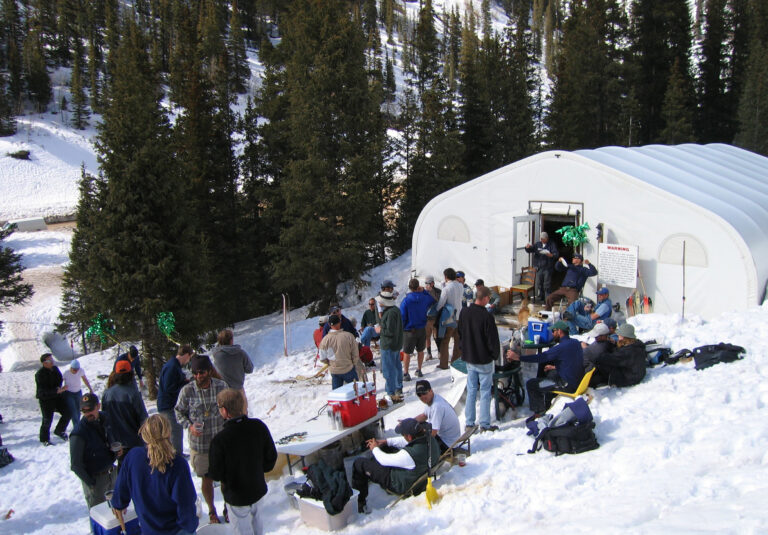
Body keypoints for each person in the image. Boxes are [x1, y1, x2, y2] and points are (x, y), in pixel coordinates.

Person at [110, 414, 198, 535]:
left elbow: (120, 492)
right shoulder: (177, 464)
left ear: (144, 434)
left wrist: (118, 504)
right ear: (168, 433)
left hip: (148, 530)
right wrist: (190, 527)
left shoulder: (133, 457)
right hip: (176, 530)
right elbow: (186, 505)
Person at [207, 389, 277, 535]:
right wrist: (258, 470)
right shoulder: (258, 426)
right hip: (257, 489)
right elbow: (271, 457)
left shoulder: (220, 440)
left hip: (236, 496)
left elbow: (216, 473)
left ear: (224, 411)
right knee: (258, 527)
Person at [175, 354, 227, 523]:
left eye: (202, 373)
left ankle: (228, 507)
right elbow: (178, 412)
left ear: (209, 371)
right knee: (207, 478)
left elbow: (230, 408)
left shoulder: (221, 386)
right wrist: (189, 426)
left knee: (226, 476)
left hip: (220, 442)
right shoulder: (187, 391)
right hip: (200, 445)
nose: (198, 376)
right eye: (195, 373)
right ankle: (212, 510)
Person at [352, 418, 441, 514]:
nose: (403, 436)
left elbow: (384, 460)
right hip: (420, 473)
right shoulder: (430, 439)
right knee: (386, 448)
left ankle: (360, 502)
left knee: (359, 464)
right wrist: (386, 441)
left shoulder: (409, 455)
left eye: (403, 435)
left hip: (399, 483)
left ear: (410, 437)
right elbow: (406, 442)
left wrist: (374, 449)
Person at [508, 321, 584, 416]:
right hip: (575, 379)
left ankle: (539, 414)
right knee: (548, 371)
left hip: (567, 385)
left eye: (553, 331)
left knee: (531, 384)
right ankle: (548, 405)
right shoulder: (575, 343)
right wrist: (555, 366)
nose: (552, 334)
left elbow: (540, 357)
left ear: (559, 331)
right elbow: (570, 360)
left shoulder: (560, 348)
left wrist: (518, 357)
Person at [457, 286, 500, 432]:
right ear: (486, 298)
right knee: (486, 392)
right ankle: (485, 424)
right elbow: (492, 340)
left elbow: (460, 333)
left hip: (470, 357)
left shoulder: (465, 312)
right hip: (484, 359)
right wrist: (495, 355)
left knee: (471, 390)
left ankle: (469, 423)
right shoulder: (487, 316)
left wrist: (463, 349)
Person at [69, 392, 117, 508]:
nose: (87, 413)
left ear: (98, 406)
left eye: (90, 409)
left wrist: (114, 453)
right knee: (99, 518)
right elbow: (76, 465)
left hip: (112, 475)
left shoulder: (105, 420)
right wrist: (91, 484)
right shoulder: (79, 433)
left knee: (117, 512)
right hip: (96, 481)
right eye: (84, 411)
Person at [102, 360, 148, 457]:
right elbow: (143, 419)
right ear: (130, 374)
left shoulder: (107, 394)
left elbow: (104, 419)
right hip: (134, 443)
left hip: (115, 444)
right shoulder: (133, 394)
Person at [157, 345, 193, 456]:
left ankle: (176, 453)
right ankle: (176, 456)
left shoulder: (174, 365)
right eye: (189, 357)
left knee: (175, 431)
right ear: (186, 355)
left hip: (169, 404)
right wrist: (185, 384)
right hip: (168, 406)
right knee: (175, 432)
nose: (188, 360)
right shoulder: (172, 366)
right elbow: (169, 387)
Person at [399, 278, 436, 381]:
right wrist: (423, 291)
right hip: (421, 328)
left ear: (410, 288)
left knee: (407, 352)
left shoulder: (406, 300)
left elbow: (402, 316)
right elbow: (432, 300)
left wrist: (402, 328)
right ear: (418, 286)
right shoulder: (424, 297)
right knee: (420, 350)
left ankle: (406, 373)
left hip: (409, 330)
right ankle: (419, 370)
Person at [592, 323, 647, 387]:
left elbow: (611, 359)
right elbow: (621, 354)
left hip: (630, 378)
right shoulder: (637, 344)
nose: (617, 335)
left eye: (619, 335)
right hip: (637, 373)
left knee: (598, 372)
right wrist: (615, 344)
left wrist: (596, 354)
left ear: (623, 337)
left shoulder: (628, 351)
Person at [319, 315, 365, 389]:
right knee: (355, 391)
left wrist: (330, 363)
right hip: (348, 368)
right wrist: (352, 363)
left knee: (337, 393)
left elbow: (322, 357)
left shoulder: (325, 340)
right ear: (339, 322)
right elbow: (355, 354)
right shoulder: (349, 336)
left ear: (329, 325)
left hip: (334, 370)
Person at [413, 380, 461, 452]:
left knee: (419, 432)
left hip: (448, 445)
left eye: (424, 393)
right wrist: (409, 422)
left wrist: (421, 446)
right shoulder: (432, 399)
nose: (422, 396)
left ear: (431, 391)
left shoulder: (437, 406)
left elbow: (433, 432)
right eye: (419, 394)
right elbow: (424, 416)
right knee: (417, 426)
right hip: (449, 439)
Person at [212, 329, 254, 410]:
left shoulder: (216, 355)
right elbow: (250, 369)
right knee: (242, 415)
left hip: (223, 392)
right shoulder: (240, 353)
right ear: (231, 340)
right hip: (238, 390)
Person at [35, 353, 70, 446]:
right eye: (49, 360)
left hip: (57, 398)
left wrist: (60, 388)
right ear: (44, 363)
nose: (52, 362)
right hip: (46, 400)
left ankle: (60, 430)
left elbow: (59, 379)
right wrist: (55, 390)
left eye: (52, 360)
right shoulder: (39, 374)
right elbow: (42, 391)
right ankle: (44, 439)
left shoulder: (55, 369)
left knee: (68, 412)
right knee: (47, 420)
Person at [375, 290, 404, 402]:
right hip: (396, 344)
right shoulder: (394, 310)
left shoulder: (390, 313)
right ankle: (398, 388)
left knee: (389, 369)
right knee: (396, 366)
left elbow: (389, 331)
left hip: (388, 345)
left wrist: (379, 330)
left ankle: (390, 392)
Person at [435, 268, 463, 369]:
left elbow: (441, 302)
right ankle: (455, 362)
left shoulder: (447, 288)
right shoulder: (460, 286)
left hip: (449, 317)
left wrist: (437, 310)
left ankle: (443, 364)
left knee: (445, 341)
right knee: (457, 340)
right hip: (459, 315)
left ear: (446, 277)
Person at [525, 232, 559, 303]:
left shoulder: (551, 244)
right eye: (541, 239)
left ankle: (547, 299)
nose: (542, 240)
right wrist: (527, 248)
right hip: (539, 267)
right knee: (539, 283)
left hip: (548, 268)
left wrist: (551, 255)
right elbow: (531, 250)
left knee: (547, 284)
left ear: (547, 238)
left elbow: (556, 254)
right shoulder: (538, 244)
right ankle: (541, 298)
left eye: (543, 239)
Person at [62, 359, 93, 429]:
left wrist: (90, 388)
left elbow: (84, 379)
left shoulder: (80, 371)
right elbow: (60, 381)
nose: (76, 371)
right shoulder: (66, 373)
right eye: (74, 369)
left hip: (78, 392)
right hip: (69, 393)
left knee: (79, 410)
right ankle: (77, 427)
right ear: (71, 368)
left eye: (77, 369)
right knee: (73, 411)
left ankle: (78, 425)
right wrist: (62, 389)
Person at [423, 275, 441, 360]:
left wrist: (432, 291)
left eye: (429, 283)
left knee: (436, 336)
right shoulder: (423, 292)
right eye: (426, 283)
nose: (427, 285)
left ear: (433, 283)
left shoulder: (438, 291)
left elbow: (439, 302)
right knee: (427, 336)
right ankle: (429, 353)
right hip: (426, 318)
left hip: (435, 317)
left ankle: (440, 351)